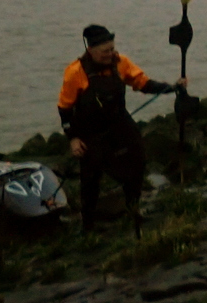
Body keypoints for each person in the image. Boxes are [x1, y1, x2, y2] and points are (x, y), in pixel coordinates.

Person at [58, 23, 186, 236]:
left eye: (112, 49)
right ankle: (87, 225)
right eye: (105, 51)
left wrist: (172, 87)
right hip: (90, 131)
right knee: (90, 179)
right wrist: (73, 138)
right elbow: (64, 109)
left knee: (137, 161)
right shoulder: (75, 72)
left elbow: (143, 83)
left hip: (119, 123)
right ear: (91, 50)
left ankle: (133, 211)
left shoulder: (120, 63)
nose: (110, 54)